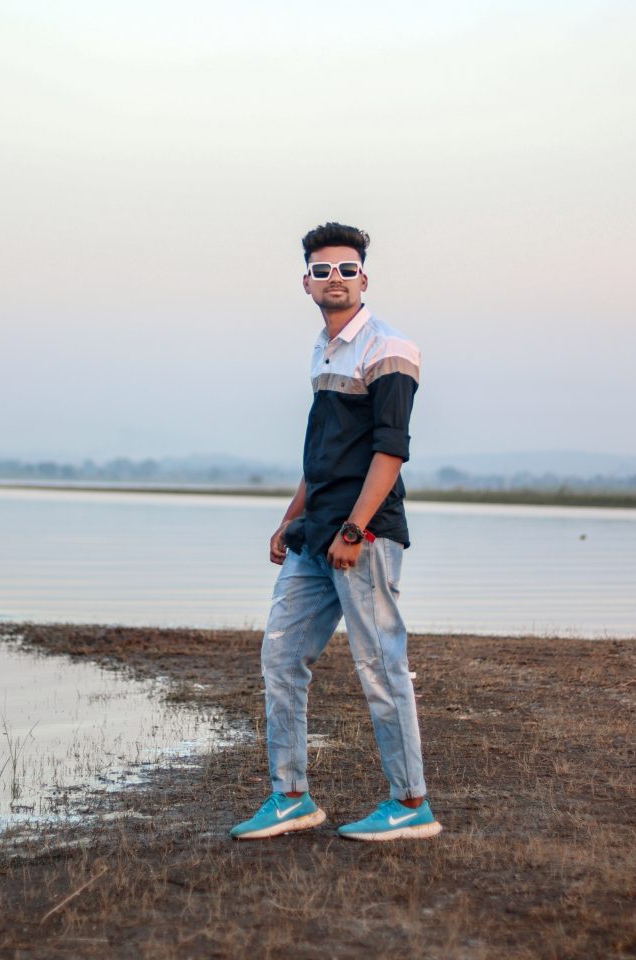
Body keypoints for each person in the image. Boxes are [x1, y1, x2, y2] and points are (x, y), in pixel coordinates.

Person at [230, 221, 442, 842]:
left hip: (363, 537)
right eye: (323, 271)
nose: (335, 279)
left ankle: (410, 803)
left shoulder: (388, 348)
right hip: (314, 532)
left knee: (380, 666)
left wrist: (354, 528)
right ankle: (291, 795)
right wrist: (292, 516)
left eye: (347, 269)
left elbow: (390, 450)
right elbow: (322, 449)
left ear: (364, 279)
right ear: (306, 283)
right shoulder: (323, 349)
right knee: (281, 656)